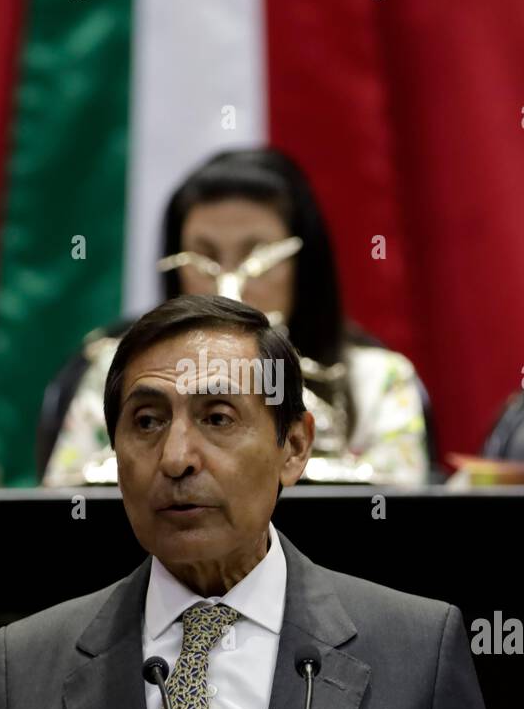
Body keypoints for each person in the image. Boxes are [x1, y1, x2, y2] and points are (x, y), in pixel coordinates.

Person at [0, 295, 499, 709]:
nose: (175, 459)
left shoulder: (418, 650)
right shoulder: (25, 667)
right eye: (147, 422)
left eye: (217, 418)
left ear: (293, 446)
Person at [41, 148, 431, 486]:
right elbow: (66, 505)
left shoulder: (379, 381)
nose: (228, 278)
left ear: (303, 264)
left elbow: (396, 521)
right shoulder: (115, 367)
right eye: (204, 255)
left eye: (257, 254)